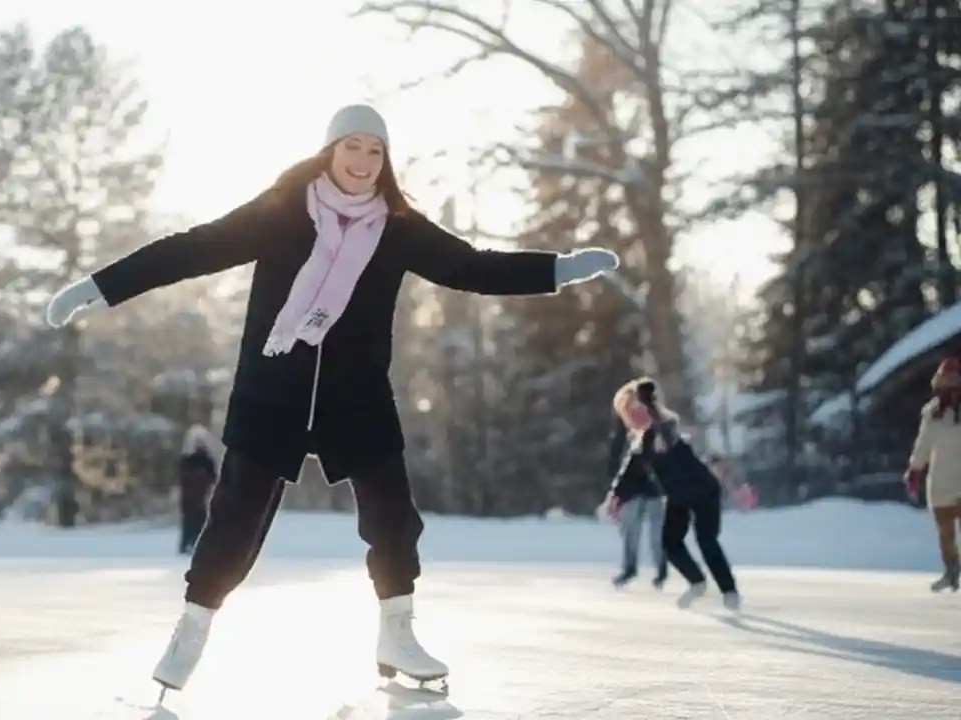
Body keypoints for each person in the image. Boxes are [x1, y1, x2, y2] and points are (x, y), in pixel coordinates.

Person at [44, 103, 619, 694]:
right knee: (234, 520)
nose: (364, 162)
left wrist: (559, 270)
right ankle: (192, 630)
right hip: (272, 393)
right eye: (354, 147)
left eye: (376, 151)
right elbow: (194, 248)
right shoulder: (281, 214)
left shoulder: (397, 228)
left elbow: (471, 267)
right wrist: (99, 287)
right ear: (330, 151)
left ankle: (398, 630)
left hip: (357, 397)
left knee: (394, 519)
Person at [606, 378, 740, 610]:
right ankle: (697, 582)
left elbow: (661, 427)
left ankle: (729, 591)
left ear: (645, 408)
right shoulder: (641, 445)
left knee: (706, 540)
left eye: (635, 409)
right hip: (678, 497)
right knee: (669, 542)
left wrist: (647, 400)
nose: (631, 417)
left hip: (703, 491)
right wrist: (616, 495)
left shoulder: (665, 429)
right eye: (627, 413)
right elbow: (628, 474)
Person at [904, 357, 961, 593]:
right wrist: (915, 468)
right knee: (945, 531)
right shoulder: (932, 414)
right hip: (940, 482)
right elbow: (923, 444)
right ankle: (952, 571)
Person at [607, 418, 666, 589]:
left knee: (653, 534)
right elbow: (627, 470)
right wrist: (616, 493)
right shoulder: (637, 447)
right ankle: (633, 568)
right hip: (637, 493)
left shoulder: (657, 442)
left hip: (652, 493)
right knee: (633, 531)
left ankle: (659, 569)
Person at [178, 424, 218, 555]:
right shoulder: (194, 460)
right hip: (195, 496)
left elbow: (212, 477)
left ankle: (192, 546)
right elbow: (213, 477)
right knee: (193, 520)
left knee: (195, 521)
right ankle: (191, 546)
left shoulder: (191, 460)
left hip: (197, 496)